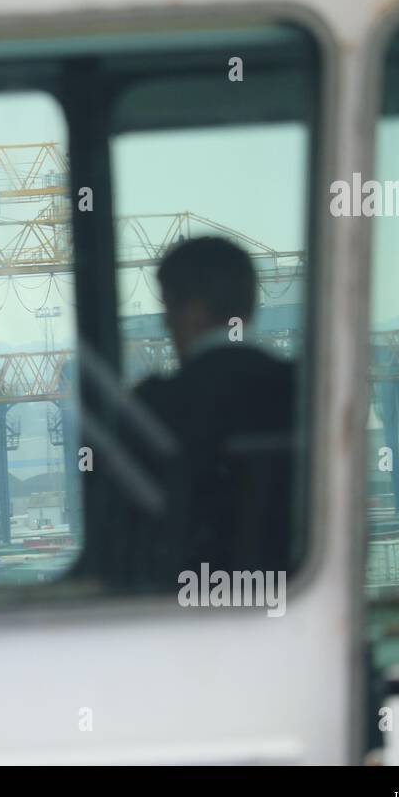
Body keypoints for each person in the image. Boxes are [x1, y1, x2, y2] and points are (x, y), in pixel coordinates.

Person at [124, 236, 298, 587]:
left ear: (191, 312)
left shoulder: (154, 409)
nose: (165, 324)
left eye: (168, 309)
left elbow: (129, 543)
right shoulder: (300, 393)